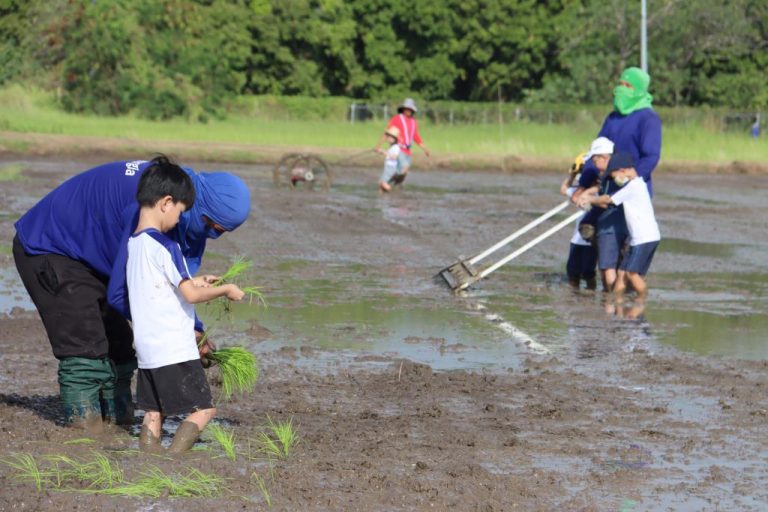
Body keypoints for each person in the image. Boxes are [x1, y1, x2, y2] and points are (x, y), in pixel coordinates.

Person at [12, 156, 250, 429]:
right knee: (85, 344)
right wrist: (174, 333)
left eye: (221, 232)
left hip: (97, 255)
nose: (212, 235)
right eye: (211, 226)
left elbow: (178, 284)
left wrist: (195, 331)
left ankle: (117, 425)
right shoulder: (147, 209)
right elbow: (125, 294)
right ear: (175, 204)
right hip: (52, 248)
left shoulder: (184, 214)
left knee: (121, 348)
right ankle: (84, 433)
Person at [127, 159, 245, 452]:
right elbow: (189, 295)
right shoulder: (169, 246)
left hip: (147, 350)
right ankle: (174, 460)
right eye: (180, 211)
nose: (181, 219)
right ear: (166, 203)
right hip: (173, 349)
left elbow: (162, 286)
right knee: (204, 410)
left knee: (154, 412)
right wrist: (225, 290)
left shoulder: (134, 244)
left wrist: (199, 280)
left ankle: (147, 459)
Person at [576, 67, 662, 291]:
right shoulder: (612, 118)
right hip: (606, 192)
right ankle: (606, 295)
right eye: (620, 84)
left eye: (628, 86)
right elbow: (596, 153)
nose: (621, 90)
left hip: (631, 195)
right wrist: (584, 184)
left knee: (629, 254)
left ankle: (629, 302)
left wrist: (630, 174)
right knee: (605, 249)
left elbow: (651, 156)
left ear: (639, 90)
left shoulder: (648, 118)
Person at [580, 152, 660, 297]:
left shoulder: (633, 186)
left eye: (614, 175)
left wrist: (589, 200)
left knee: (631, 274)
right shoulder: (635, 184)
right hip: (642, 238)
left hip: (644, 238)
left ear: (623, 171)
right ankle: (616, 301)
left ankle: (642, 300)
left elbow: (607, 200)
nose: (615, 179)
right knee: (621, 275)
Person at [561, 137, 614, 289]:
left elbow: (601, 191)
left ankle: (590, 295)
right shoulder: (580, 190)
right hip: (576, 240)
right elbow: (564, 189)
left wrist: (588, 193)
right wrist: (572, 174)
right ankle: (574, 296)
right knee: (572, 272)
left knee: (588, 273)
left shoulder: (600, 191)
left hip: (590, 240)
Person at [374, 98, 430, 184]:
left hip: (408, 151)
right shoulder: (397, 119)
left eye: (410, 109)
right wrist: (378, 146)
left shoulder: (414, 122)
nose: (409, 111)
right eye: (407, 108)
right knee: (405, 168)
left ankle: (389, 185)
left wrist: (425, 148)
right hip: (399, 149)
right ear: (403, 109)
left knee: (403, 175)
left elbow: (415, 136)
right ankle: (385, 181)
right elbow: (387, 133)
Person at [376, 126, 403, 192]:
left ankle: (393, 193)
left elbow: (394, 157)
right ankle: (382, 199)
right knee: (381, 185)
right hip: (388, 167)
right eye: (388, 136)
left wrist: (383, 152)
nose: (388, 138)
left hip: (391, 168)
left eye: (390, 137)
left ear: (395, 139)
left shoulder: (396, 147)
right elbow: (388, 154)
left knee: (382, 183)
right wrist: (380, 151)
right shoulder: (392, 147)